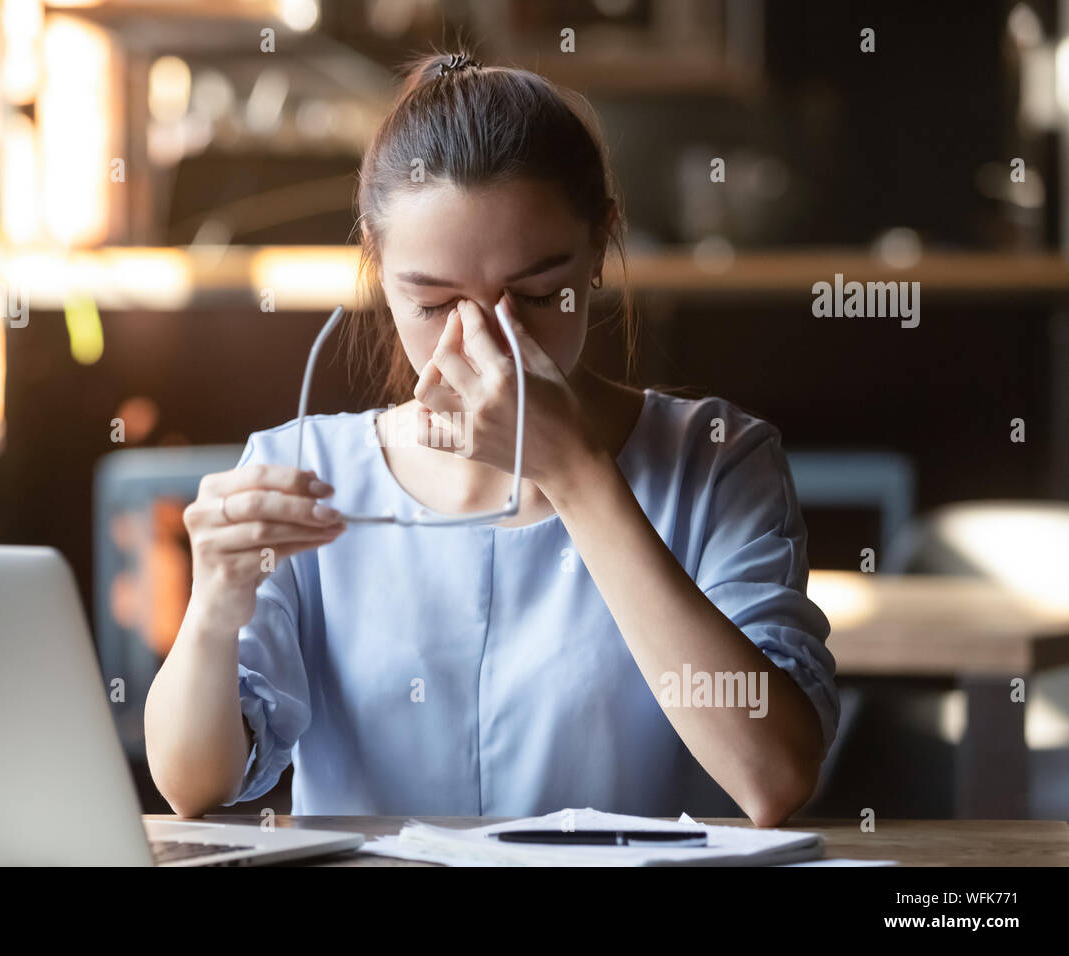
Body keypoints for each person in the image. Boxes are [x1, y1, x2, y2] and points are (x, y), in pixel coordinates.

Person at [144, 52, 838, 826]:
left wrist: (576, 476)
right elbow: (190, 787)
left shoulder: (716, 461)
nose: (485, 343)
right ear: (379, 269)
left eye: (537, 295)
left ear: (602, 247)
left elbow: (773, 776)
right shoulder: (306, 469)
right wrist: (210, 610)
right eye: (435, 303)